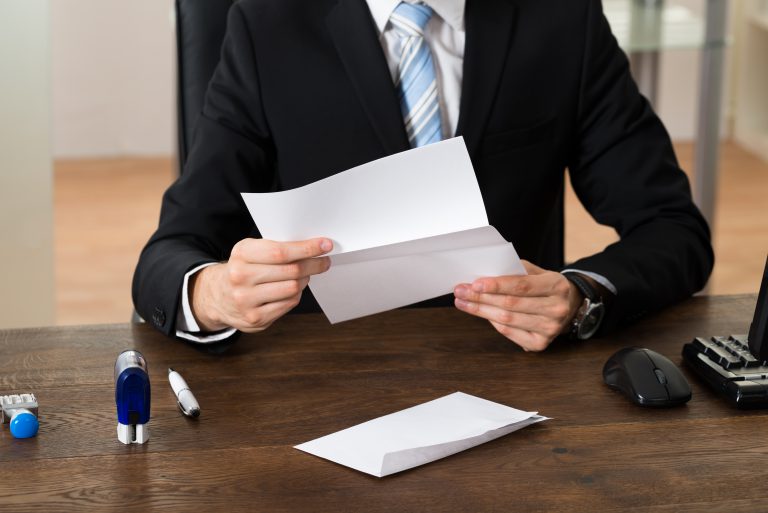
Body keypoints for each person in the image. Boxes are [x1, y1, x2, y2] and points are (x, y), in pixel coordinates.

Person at [132, 0, 713, 350]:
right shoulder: (267, 25)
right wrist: (212, 295)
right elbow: (172, 250)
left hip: (513, 373)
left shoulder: (564, 21)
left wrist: (581, 295)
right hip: (319, 380)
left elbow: (673, 231)